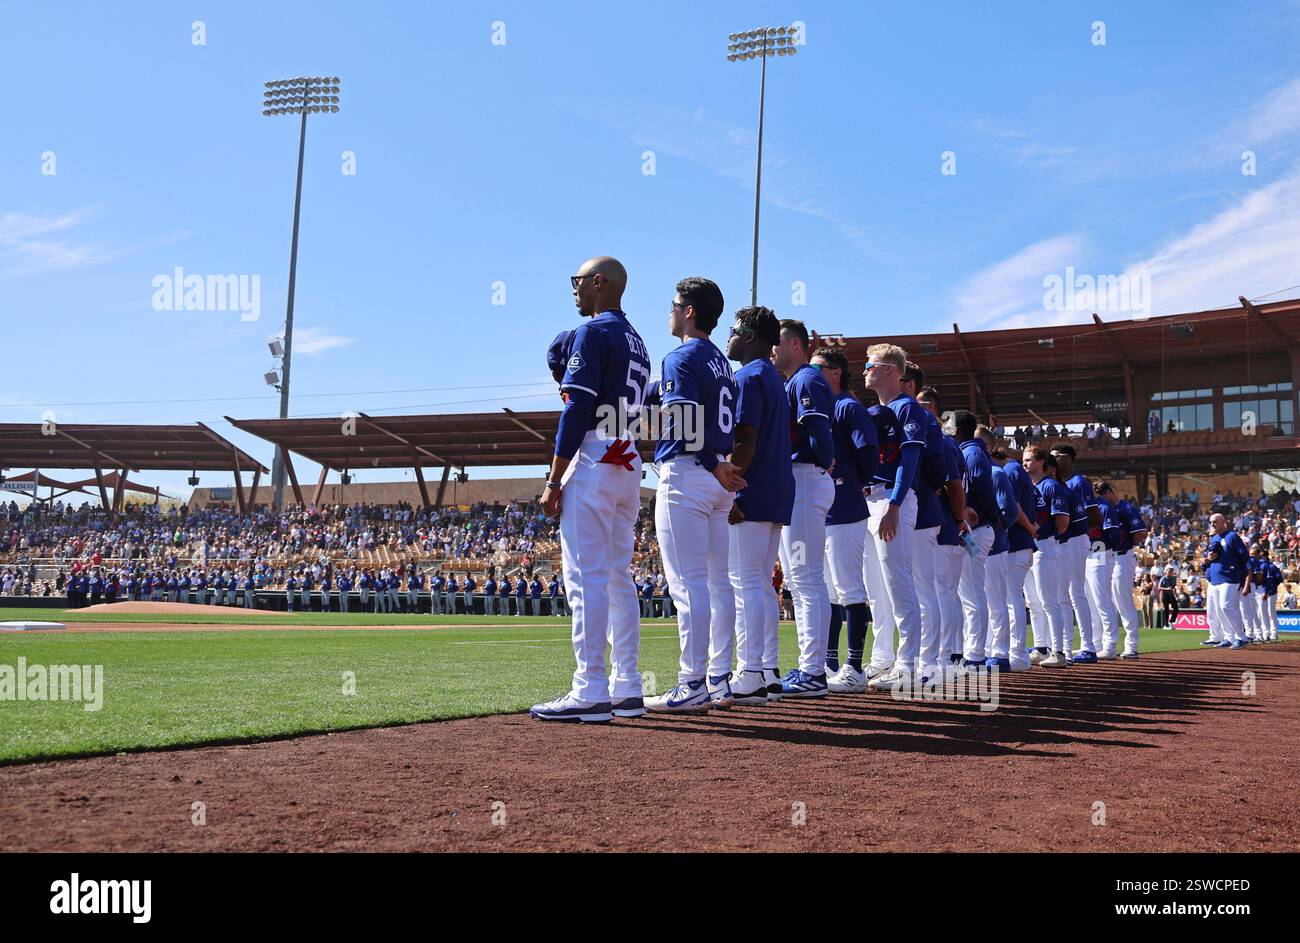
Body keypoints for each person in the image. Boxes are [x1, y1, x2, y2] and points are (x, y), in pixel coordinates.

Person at [531, 256, 649, 723]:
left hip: (598, 457)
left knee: (586, 578)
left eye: (578, 281)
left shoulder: (593, 331)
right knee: (619, 576)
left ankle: (590, 689)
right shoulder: (636, 338)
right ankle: (627, 686)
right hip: (628, 458)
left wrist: (553, 478)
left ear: (599, 283)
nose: (574, 290)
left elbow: (576, 409)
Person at [645, 276, 744, 714]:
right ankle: (719, 677)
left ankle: (692, 681)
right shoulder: (722, 361)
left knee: (689, 587)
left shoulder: (681, 355)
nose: (668, 310)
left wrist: (709, 461)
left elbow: (683, 418)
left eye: (673, 304)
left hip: (691, 472)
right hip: (715, 478)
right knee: (718, 584)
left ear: (689, 311)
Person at [718, 306, 794, 705]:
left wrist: (729, 490)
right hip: (776, 491)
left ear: (749, 336)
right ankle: (764, 669)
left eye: (733, 330)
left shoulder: (748, 375)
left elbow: (745, 439)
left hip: (752, 490)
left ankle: (750, 671)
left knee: (746, 584)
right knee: (760, 585)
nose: (728, 336)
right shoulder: (773, 378)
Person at [771, 318, 836, 697]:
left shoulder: (808, 378)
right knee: (800, 580)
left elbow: (819, 434)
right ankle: (810, 667)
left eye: (778, 343)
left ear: (796, 344)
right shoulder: (794, 381)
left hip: (807, 477)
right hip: (801, 479)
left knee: (808, 579)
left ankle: (814, 671)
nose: (772, 350)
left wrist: (823, 463)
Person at [811, 346, 877, 693]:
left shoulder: (847, 406)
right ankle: (831, 662)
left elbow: (868, 453)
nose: (811, 374)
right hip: (825, 512)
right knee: (831, 591)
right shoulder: (822, 406)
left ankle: (854, 666)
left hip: (847, 507)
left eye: (817, 368)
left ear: (834, 372)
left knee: (849, 586)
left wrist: (854, 482)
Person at [861, 343, 925, 690]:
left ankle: (908, 663)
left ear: (888, 369)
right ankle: (882, 658)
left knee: (899, 584)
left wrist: (896, 505)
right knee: (876, 589)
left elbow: (909, 460)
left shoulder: (907, 408)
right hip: (872, 498)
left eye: (870, 364)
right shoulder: (877, 410)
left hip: (891, 499)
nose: (865, 370)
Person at [916, 387, 969, 675]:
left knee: (939, 593)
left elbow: (954, 487)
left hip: (942, 526)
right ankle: (949, 655)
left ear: (934, 408)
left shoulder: (942, 441)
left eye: (923, 404)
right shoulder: (945, 442)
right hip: (946, 525)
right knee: (945, 594)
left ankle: (943, 656)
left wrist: (960, 518)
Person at [954, 410, 1000, 672]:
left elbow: (980, 486)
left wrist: (982, 513)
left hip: (977, 528)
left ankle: (976, 655)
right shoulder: (973, 450)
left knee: (971, 594)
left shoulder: (971, 451)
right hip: (978, 527)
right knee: (969, 594)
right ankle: (972, 653)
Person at [1050, 444, 1101, 662]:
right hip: (1064, 541)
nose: (1053, 460)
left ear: (1068, 458)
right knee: (1063, 595)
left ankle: (1088, 646)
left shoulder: (1078, 482)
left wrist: (1076, 534)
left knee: (1075, 593)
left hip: (1075, 540)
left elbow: (1095, 517)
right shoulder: (1056, 484)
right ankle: (1066, 648)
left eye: (1056, 457)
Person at [990, 445, 1037, 671]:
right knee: (1013, 598)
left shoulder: (1010, 470)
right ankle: (1016, 653)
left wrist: (1029, 528)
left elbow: (1014, 507)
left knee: (1011, 599)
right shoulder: (1015, 469)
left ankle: (1017, 653)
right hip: (1020, 544)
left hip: (1016, 543)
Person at [1023, 447, 1072, 666]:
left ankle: (1059, 652)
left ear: (1041, 461)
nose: (1024, 463)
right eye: (1023, 460)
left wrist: (1044, 533)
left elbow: (1062, 523)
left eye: (1029, 459)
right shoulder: (1027, 486)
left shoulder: (1051, 485)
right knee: (1033, 602)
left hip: (1045, 546)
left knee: (1048, 601)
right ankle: (1041, 648)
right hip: (1028, 546)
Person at [1102, 486, 1147, 658]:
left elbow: (1141, 533)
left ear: (1108, 492)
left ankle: (1131, 646)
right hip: (1105, 556)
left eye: (1101, 496)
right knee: (1106, 602)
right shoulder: (1104, 508)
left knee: (1123, 602)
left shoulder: (1126, 508)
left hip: (1122, 555)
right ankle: (1107, 645)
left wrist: (1126, 542)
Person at [1084, 480, 1122, 658]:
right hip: (1088, 552)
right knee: (1091, 602)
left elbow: (1114, 535)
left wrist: (1109, 553)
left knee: (1102, 601)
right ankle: (1095, 643)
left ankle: (1110, 645)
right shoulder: (1087, 505)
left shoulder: (1104, 506)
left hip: (1101, 550)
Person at [1205, 513, 1249, 648]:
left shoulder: (1232, 536)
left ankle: (1241, 637)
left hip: (1230, 578)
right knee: (1219, 609)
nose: (1213, 524)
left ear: (1223, 522)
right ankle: (1228, 637)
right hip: (1216, 579)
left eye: (1215, 522)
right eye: (1211, 522)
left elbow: (1244, 556)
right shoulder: (1214, 539)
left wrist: (1244, 578)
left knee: (1227, 607)